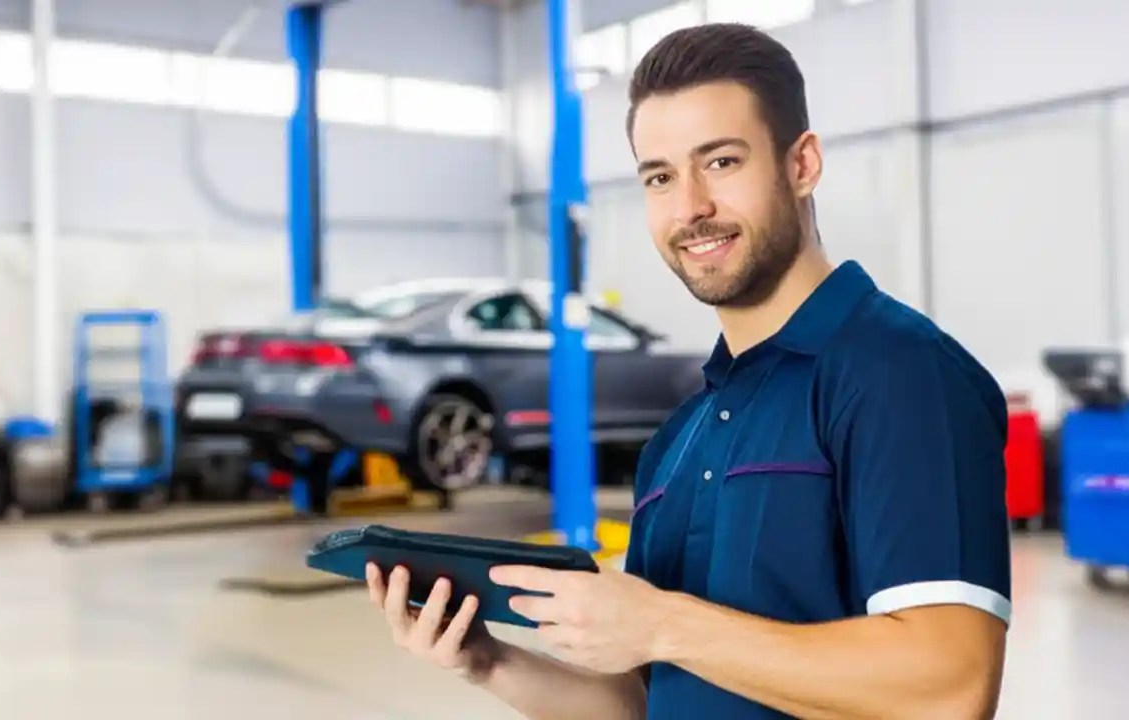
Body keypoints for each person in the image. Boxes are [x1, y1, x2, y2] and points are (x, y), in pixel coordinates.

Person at [365, 22, 1011, 720]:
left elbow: (948, 689)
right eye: (661, 177)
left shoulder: (901, 374)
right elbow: (647, 700)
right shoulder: (681, 440)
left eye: (722, 162)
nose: (690, 207)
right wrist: (487, 660)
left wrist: (663, 622)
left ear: (802, 164)